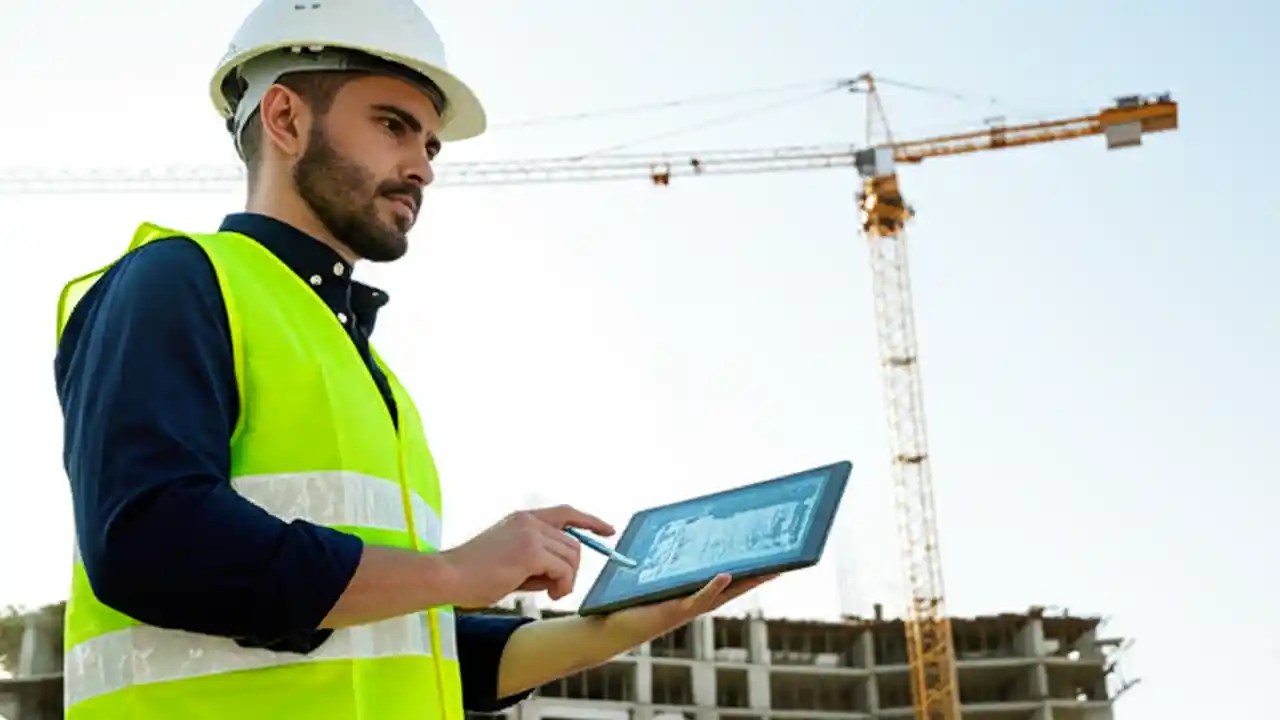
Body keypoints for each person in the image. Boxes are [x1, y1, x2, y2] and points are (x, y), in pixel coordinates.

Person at [51, 1, 773, 718]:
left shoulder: (367, 371)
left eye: (431, 146)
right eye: (393, 125)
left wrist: (622, 626)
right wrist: (456, 570)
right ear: (285, 119)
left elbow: (403, 642)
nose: (422, 167)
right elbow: (149, 541)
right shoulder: (176, 280)